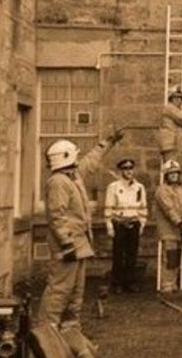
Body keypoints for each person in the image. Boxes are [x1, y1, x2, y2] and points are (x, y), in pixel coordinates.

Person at [38, 128, 124, 329]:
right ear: (66, 158)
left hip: (79, 242)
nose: (78, 160)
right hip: (68, 244)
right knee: (60, 288)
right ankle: (46, 329)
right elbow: (56, 216)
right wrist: (67, 244)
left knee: (76, 289)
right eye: (74, 155)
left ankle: (70, 327)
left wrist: (107, 142)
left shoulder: (71, 176)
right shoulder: (58, 182)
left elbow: (90, 162)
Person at [104, 158, 148, 293]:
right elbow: (108, 209)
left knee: (132, 254)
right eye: (126, 169)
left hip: (134, 223)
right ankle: (117, 283)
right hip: (119, 224)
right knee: (118, 255)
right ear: (121, 170)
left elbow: (143, 208)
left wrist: (141, 225)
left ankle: (130, 282)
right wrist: (109, 227)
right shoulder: (114, 187)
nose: (129, 171)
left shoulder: (139, 187)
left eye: (131, 168)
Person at [153, 160, 182, 294]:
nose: (173, 176)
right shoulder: (162, 191)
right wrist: (180, 223)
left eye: (175, 174)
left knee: (177, 256)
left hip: (180, 229)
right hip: (168, 229)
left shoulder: (181, 190)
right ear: (166, 176)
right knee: (170, 256)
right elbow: (169, 210)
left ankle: (173, 283)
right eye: (170, 174)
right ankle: (167, 284)